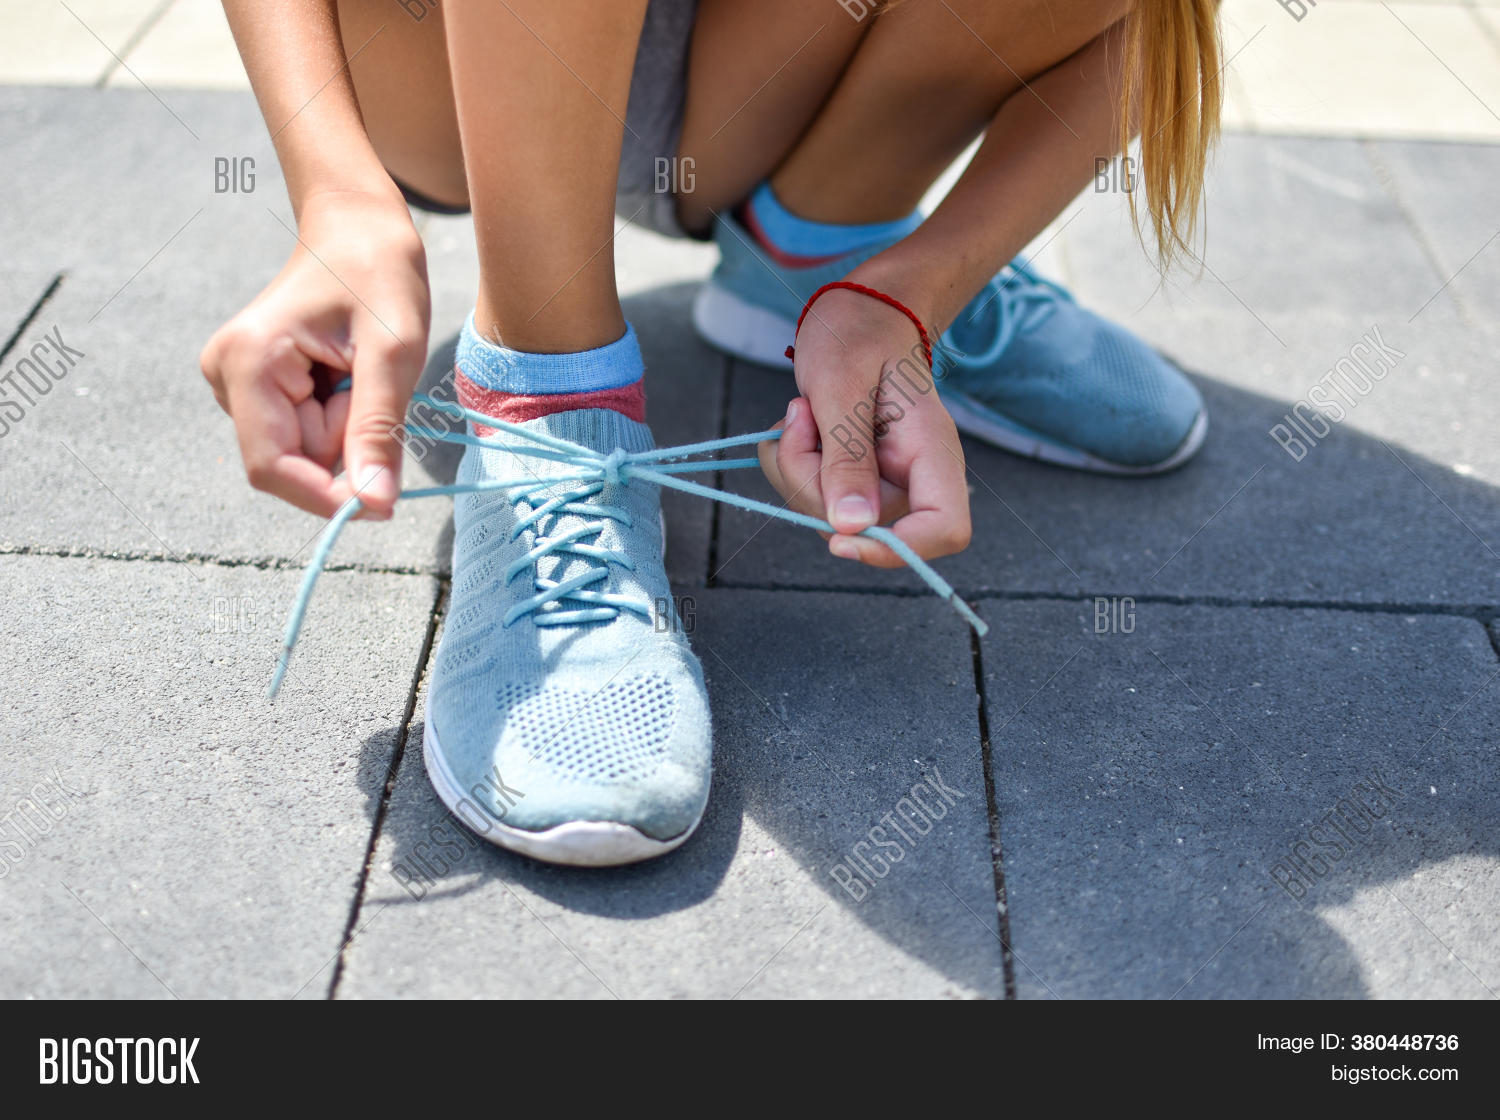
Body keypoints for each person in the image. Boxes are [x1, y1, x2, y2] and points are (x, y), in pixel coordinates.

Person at [201, 0, 1222, 866]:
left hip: (752, 78)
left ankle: (820, 246)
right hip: (450, 58)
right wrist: (335, 193)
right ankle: (547, 383)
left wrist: (915, 289)